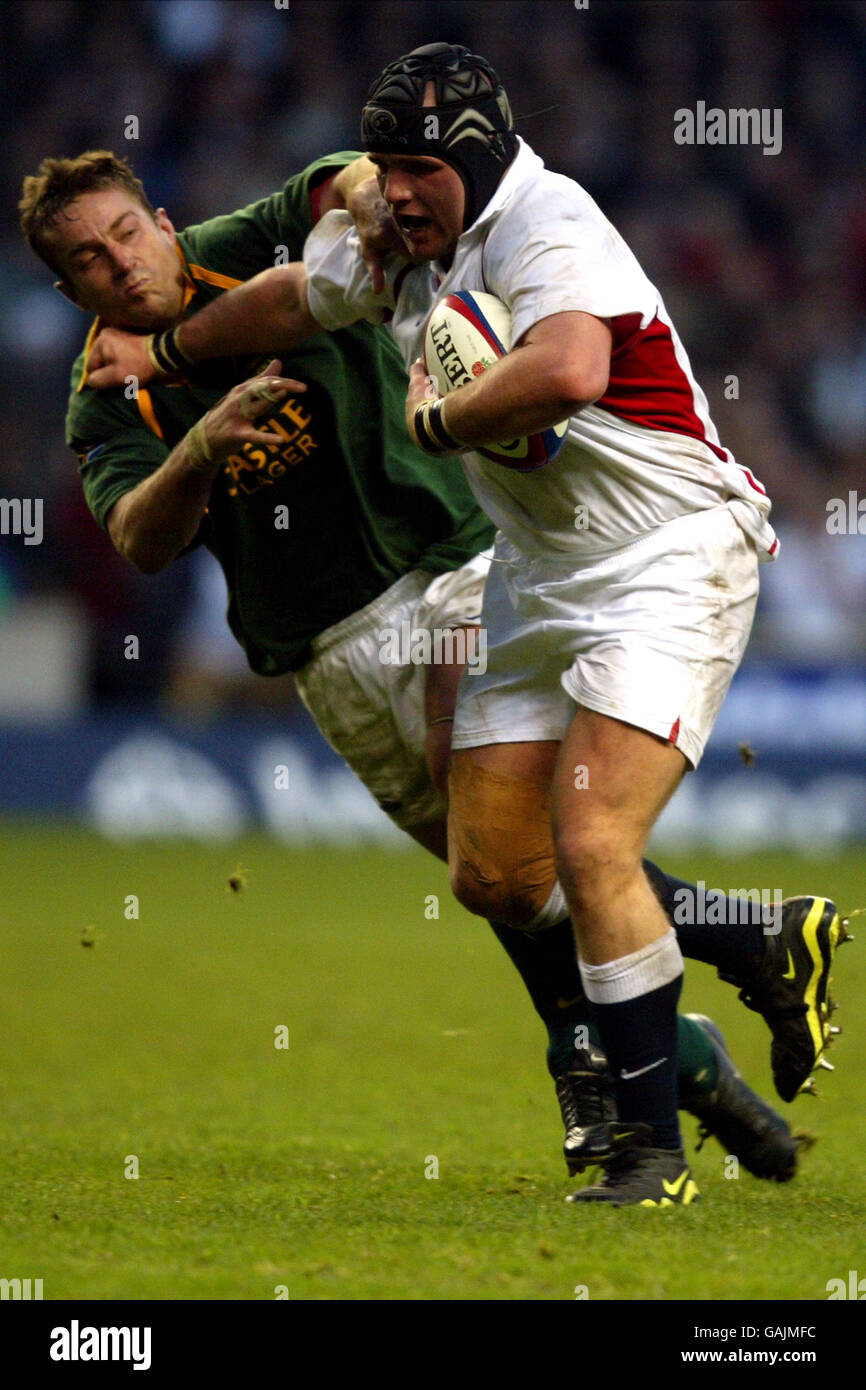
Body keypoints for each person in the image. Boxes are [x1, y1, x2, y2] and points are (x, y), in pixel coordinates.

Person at [24, 144, 840, 1200]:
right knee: (502, 879)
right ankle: (715, 1012)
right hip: (325, 653)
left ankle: (597, 1080)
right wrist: (202, 450)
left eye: (127, 232)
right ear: (66, 286)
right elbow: (138, 536)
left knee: (496, 811)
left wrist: (367, 196)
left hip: (453, 567)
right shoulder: (107, 398)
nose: (120, 265)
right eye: (88, 260)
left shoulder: (247, 249)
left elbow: (350, 179)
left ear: (164, 219)